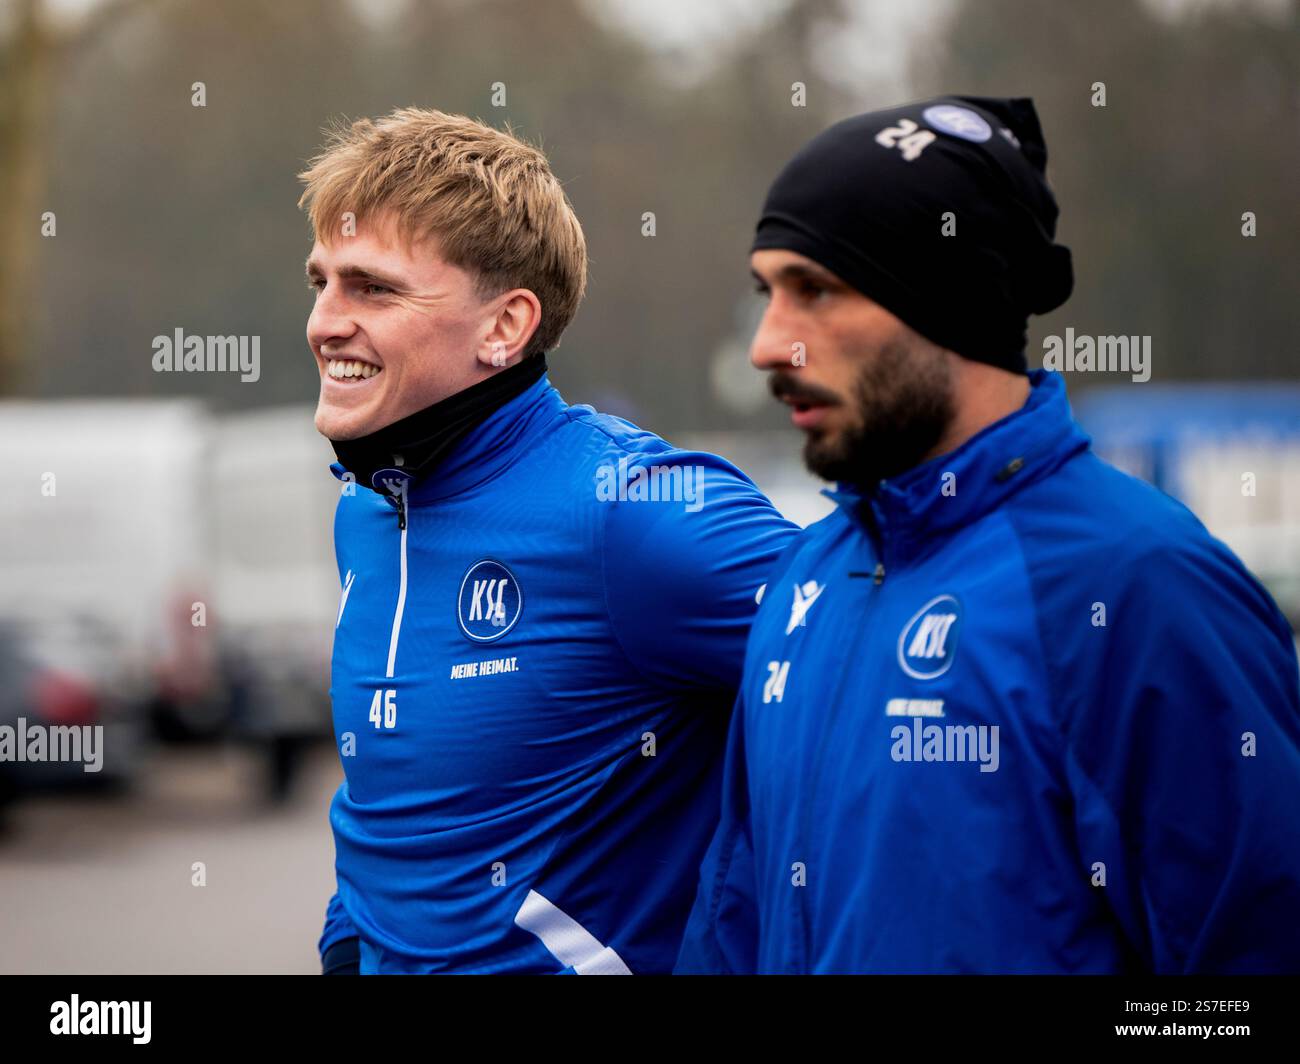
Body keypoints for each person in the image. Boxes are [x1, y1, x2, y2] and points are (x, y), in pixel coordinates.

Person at [676, 95, 1300, 974]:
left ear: (947, 304)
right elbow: (733, 925)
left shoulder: (1139, 587)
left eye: (815, 290)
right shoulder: (807, 577)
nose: (769, 345)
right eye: (765, 294)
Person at [298, 107, 797, 974]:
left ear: (505, 326)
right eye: (322, 283)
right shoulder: (368, 513)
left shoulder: (635, 512)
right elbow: (404, 804)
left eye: (373, 288)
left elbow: (875, 686)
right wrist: (346, 946)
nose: (325, 323)